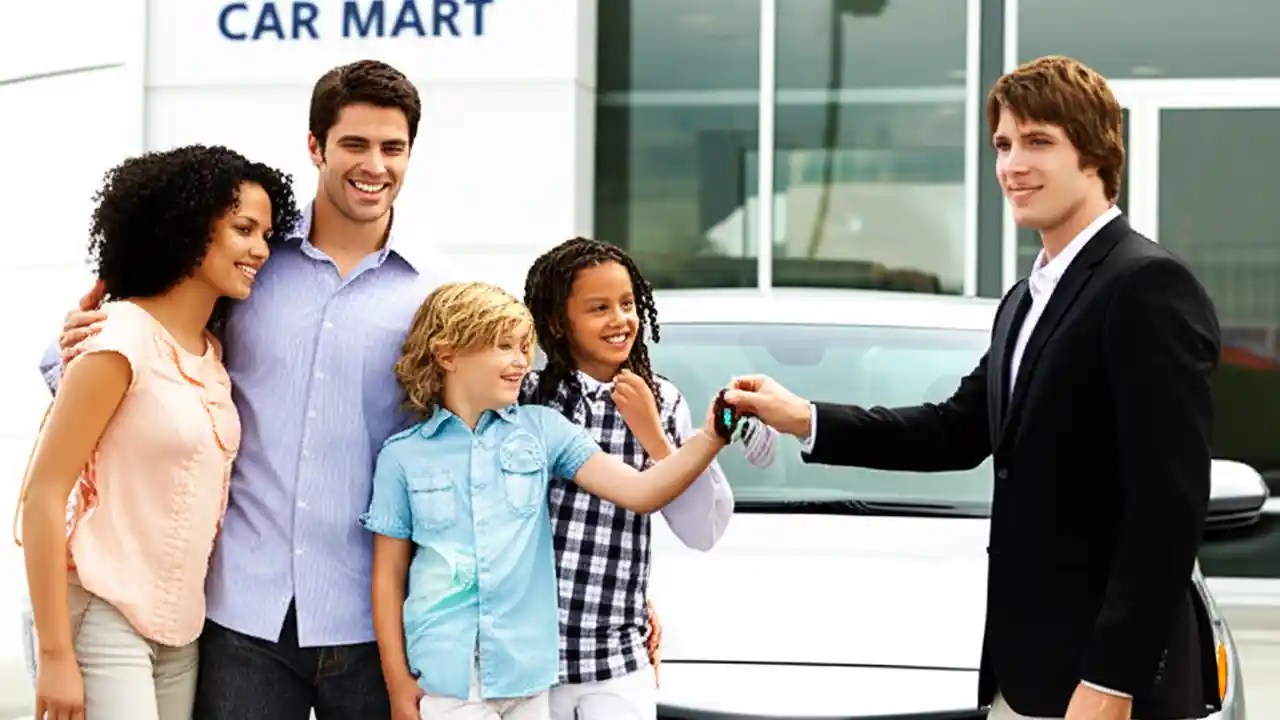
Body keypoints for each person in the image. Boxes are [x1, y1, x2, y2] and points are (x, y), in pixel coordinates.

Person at [722, 56, 1222, 720]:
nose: (1013, 164)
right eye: (1004, 145)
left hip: (1104, 688)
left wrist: (1112, 682)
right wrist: (804, 417)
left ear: (1097, 155)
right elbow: (956, 430)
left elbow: (1165, 509)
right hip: (1027, 675)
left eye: (1039, 142)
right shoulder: (1025, 299)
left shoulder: (1145, 286)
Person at [46, 59, 446, 719]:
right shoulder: (247, 261)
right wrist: (74, 337)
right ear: (316, 146)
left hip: (375, 621)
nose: (374, 164)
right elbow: (134, 346)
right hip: (241, 617)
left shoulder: (432, 293)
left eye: (392, 147)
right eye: (354, 144)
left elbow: (478, 442)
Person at [18, 145, 298, 719]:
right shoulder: (120, 339)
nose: (260, 250)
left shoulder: (212, 357)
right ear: (189, 226)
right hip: (102, 615)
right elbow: (44, 496)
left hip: (180, 633)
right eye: (243, 229)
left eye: (266, 234)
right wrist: (55, 654)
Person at [363, 281, 730, 720]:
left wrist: (710, 438)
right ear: (447, 356)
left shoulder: (542, 430)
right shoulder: (402, 456)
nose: (521, 362)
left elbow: (641, 491)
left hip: (528, 678)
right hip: (445, 679)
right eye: (503, 347)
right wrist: (397, 682)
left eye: (524, 348)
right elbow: (387, 579)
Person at [520, 237, 775, 718]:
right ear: (556, 321)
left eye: (627, 303)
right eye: (599, 308)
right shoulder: (526, 399)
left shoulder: (664, 402)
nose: (620, 320)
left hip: (619, 662)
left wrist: (655, 439)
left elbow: (704, 530)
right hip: (527, 663)